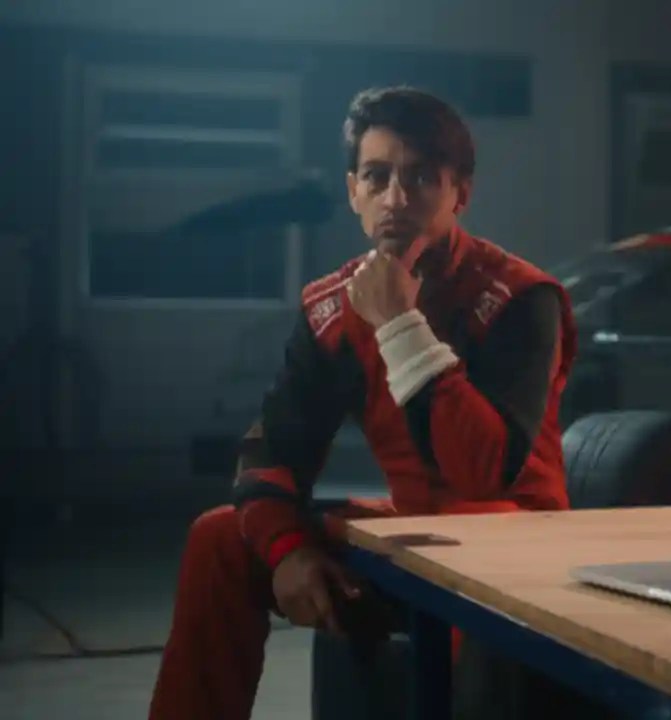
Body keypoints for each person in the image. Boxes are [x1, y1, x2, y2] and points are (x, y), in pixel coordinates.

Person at [148, 86, 578, 720]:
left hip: (517, 547)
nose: (395, 200)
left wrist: (400, 323)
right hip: (416, 537)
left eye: (421, 177)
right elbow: (270, 456)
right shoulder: (331, 308)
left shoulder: (521, 298)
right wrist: (288, 551)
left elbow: (483, 472)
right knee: (218, 538)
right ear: (353, 192)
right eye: (377, 177)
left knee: (471, 547)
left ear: (461, 194)